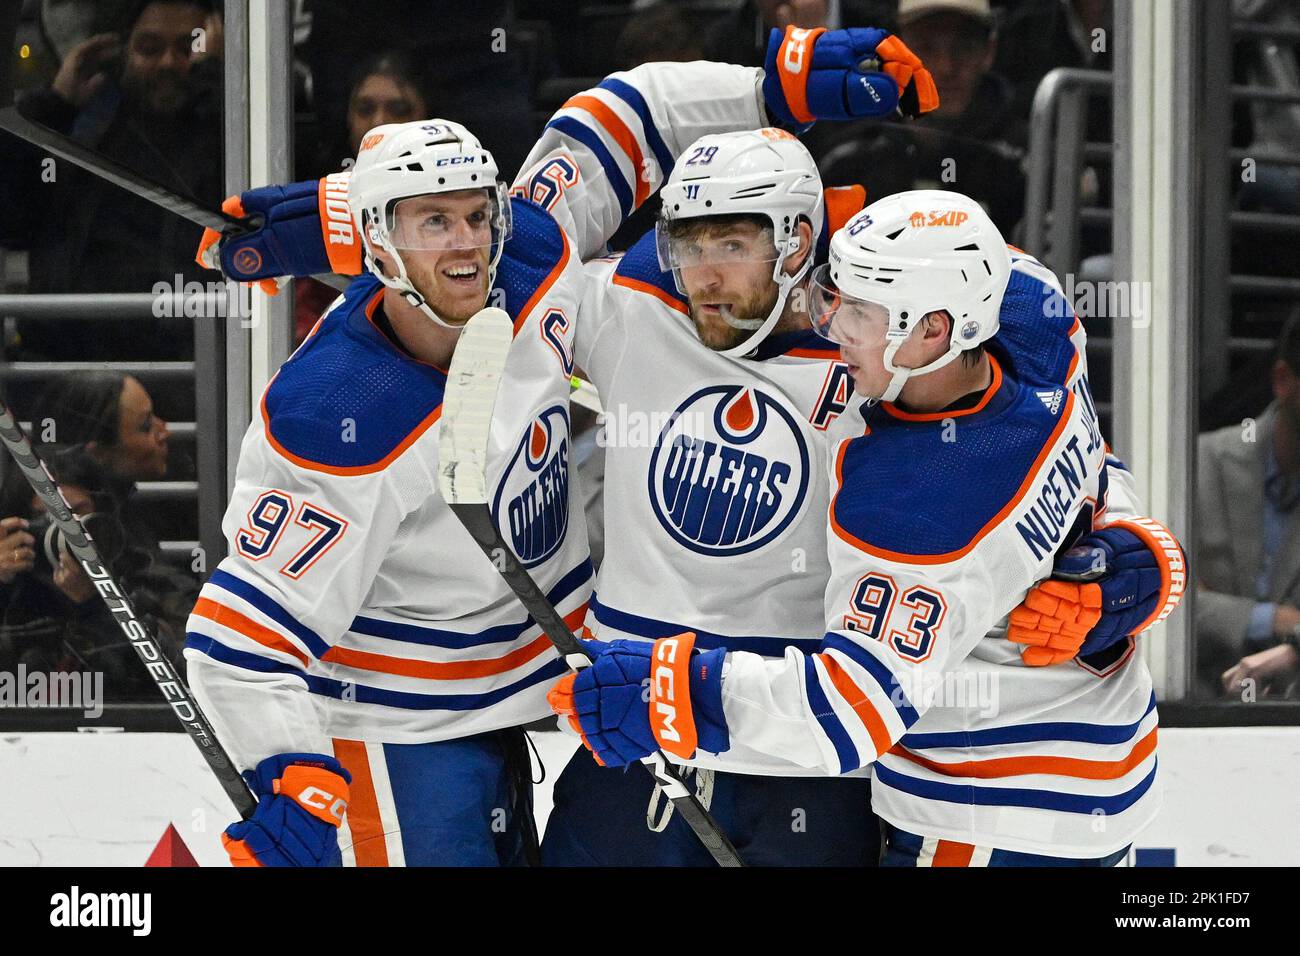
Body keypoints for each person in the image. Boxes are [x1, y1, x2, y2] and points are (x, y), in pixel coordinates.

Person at [188, 29, 932, 866]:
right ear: (375, 242)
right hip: (396, 726)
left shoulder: (533, 259)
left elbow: (622, 121)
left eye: (476, 214)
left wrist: (773, 87)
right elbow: (239, 638)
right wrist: (288, 770)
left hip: (530, 709)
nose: (467, 244)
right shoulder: (337, 417)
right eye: (433, 223)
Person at [551, 189, 1185, 866]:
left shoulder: (914, 508)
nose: (833, 327)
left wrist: (673, 689)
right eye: (837, 295)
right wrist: (1139, 550)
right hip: (1114, 764)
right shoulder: (1032, 308)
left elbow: (848, 713)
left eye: (861, 311)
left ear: (935, 331)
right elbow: (1088, 455)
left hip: (992, 813)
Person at [0, 0, 223, 361]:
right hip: (71, 368)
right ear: (123, 55)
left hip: (192, 361)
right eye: (149, 48)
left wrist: (214, 81)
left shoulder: (231, 137)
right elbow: (11, 219)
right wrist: (54, 104)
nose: (167, 62)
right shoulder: (84, 139)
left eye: (190, 48)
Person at [814, 0, 1027, 235]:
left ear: (989, 51)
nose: (947, 67)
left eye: (964, 47)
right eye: (926, 47)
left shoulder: (1023, 163)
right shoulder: (851, 156)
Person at [0, 444, 187, 697]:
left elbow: (178, 680)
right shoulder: (14, 592)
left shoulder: (142, 575)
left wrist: (100, 602)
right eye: (48, 520)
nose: (69, 534)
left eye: (76, 516)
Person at [1203, 314, 1300, 698]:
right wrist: (1277, 620)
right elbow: (1157, 599)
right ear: (1282, 380)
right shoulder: (1193, 466)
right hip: (1185, 709)